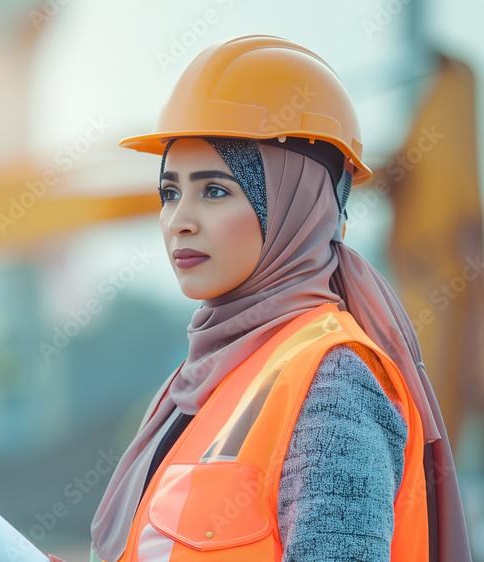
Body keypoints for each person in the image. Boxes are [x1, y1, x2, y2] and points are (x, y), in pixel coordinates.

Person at [47, 35, 472, 561]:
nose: (180, 221)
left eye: (216, 190)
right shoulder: (204, 381)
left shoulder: (332, 379)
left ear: (299, 205)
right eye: (170, 193)